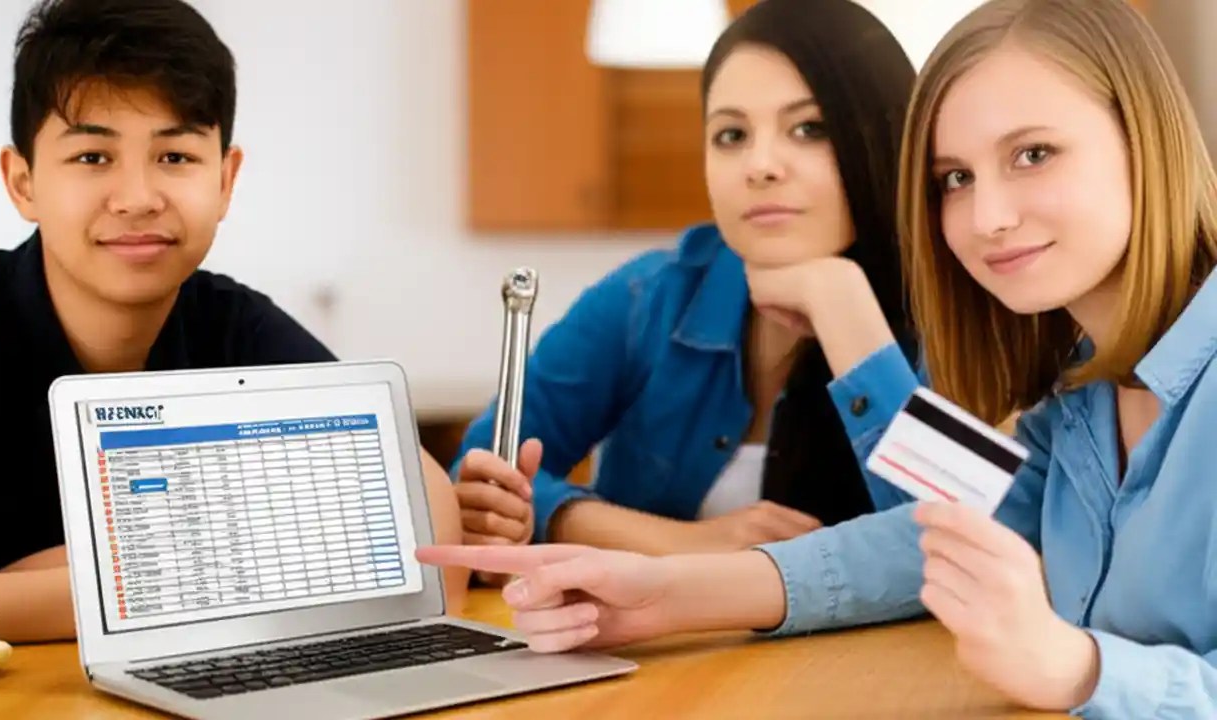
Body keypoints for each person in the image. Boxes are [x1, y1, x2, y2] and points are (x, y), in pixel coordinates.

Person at [419, 0, 1217, 716]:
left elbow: (936, 516)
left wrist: (845, 313)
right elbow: (939, 533)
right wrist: (666, 588)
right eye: (955, 179)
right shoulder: (1071, 393)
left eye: (1034, 153)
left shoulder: (967, 320)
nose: (990, 216)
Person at [0, 0, 466, 643]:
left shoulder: (234, 326)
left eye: (176, 157)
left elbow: (426, 527)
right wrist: (144, 584)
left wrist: (30, 591)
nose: (137, 198)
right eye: (92, 159)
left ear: (225, 178)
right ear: (22, 182)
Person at [451, 0, 918, 568]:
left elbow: (960, 532)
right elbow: (479, 472)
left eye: (808, 128)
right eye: (730, 134)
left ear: (886, 141)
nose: (760, 164)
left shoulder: (959, 314)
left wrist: (841, 304)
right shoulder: (650, 296)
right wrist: (679, 542)